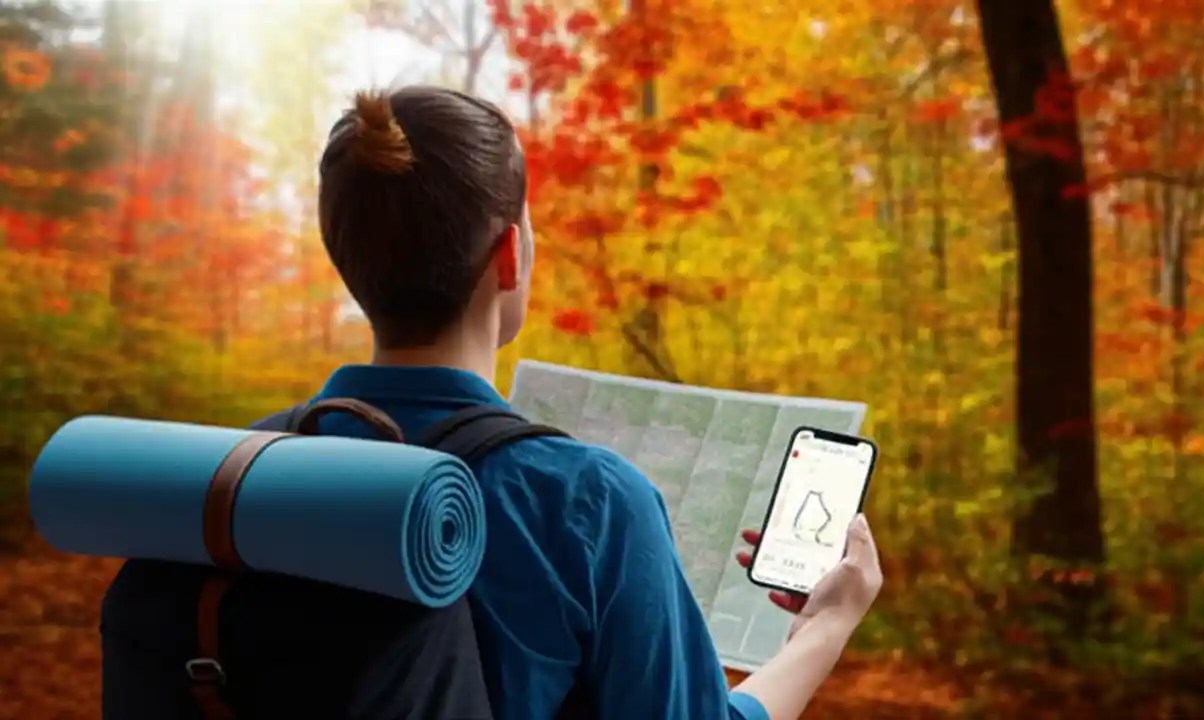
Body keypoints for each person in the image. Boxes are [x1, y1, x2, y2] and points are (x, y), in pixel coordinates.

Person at [100, 85, 883, 720]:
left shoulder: (232, 485)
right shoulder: (588, 502)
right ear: (510, 255)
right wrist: (825, 628)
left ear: (346, 259)